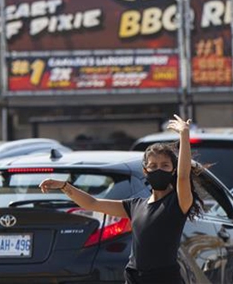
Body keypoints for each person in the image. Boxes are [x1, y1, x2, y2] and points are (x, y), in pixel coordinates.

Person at [40, 115, 205, 284]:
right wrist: (65, 186)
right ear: (145, 171)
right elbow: (92, 203)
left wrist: (184, 135)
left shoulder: (177, 203)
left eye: (165, 165)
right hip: (134, 276)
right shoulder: (135, 205)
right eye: (153, 166)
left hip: (164, 278)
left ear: (173, 170)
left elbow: (183, 177)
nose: (159, 170)